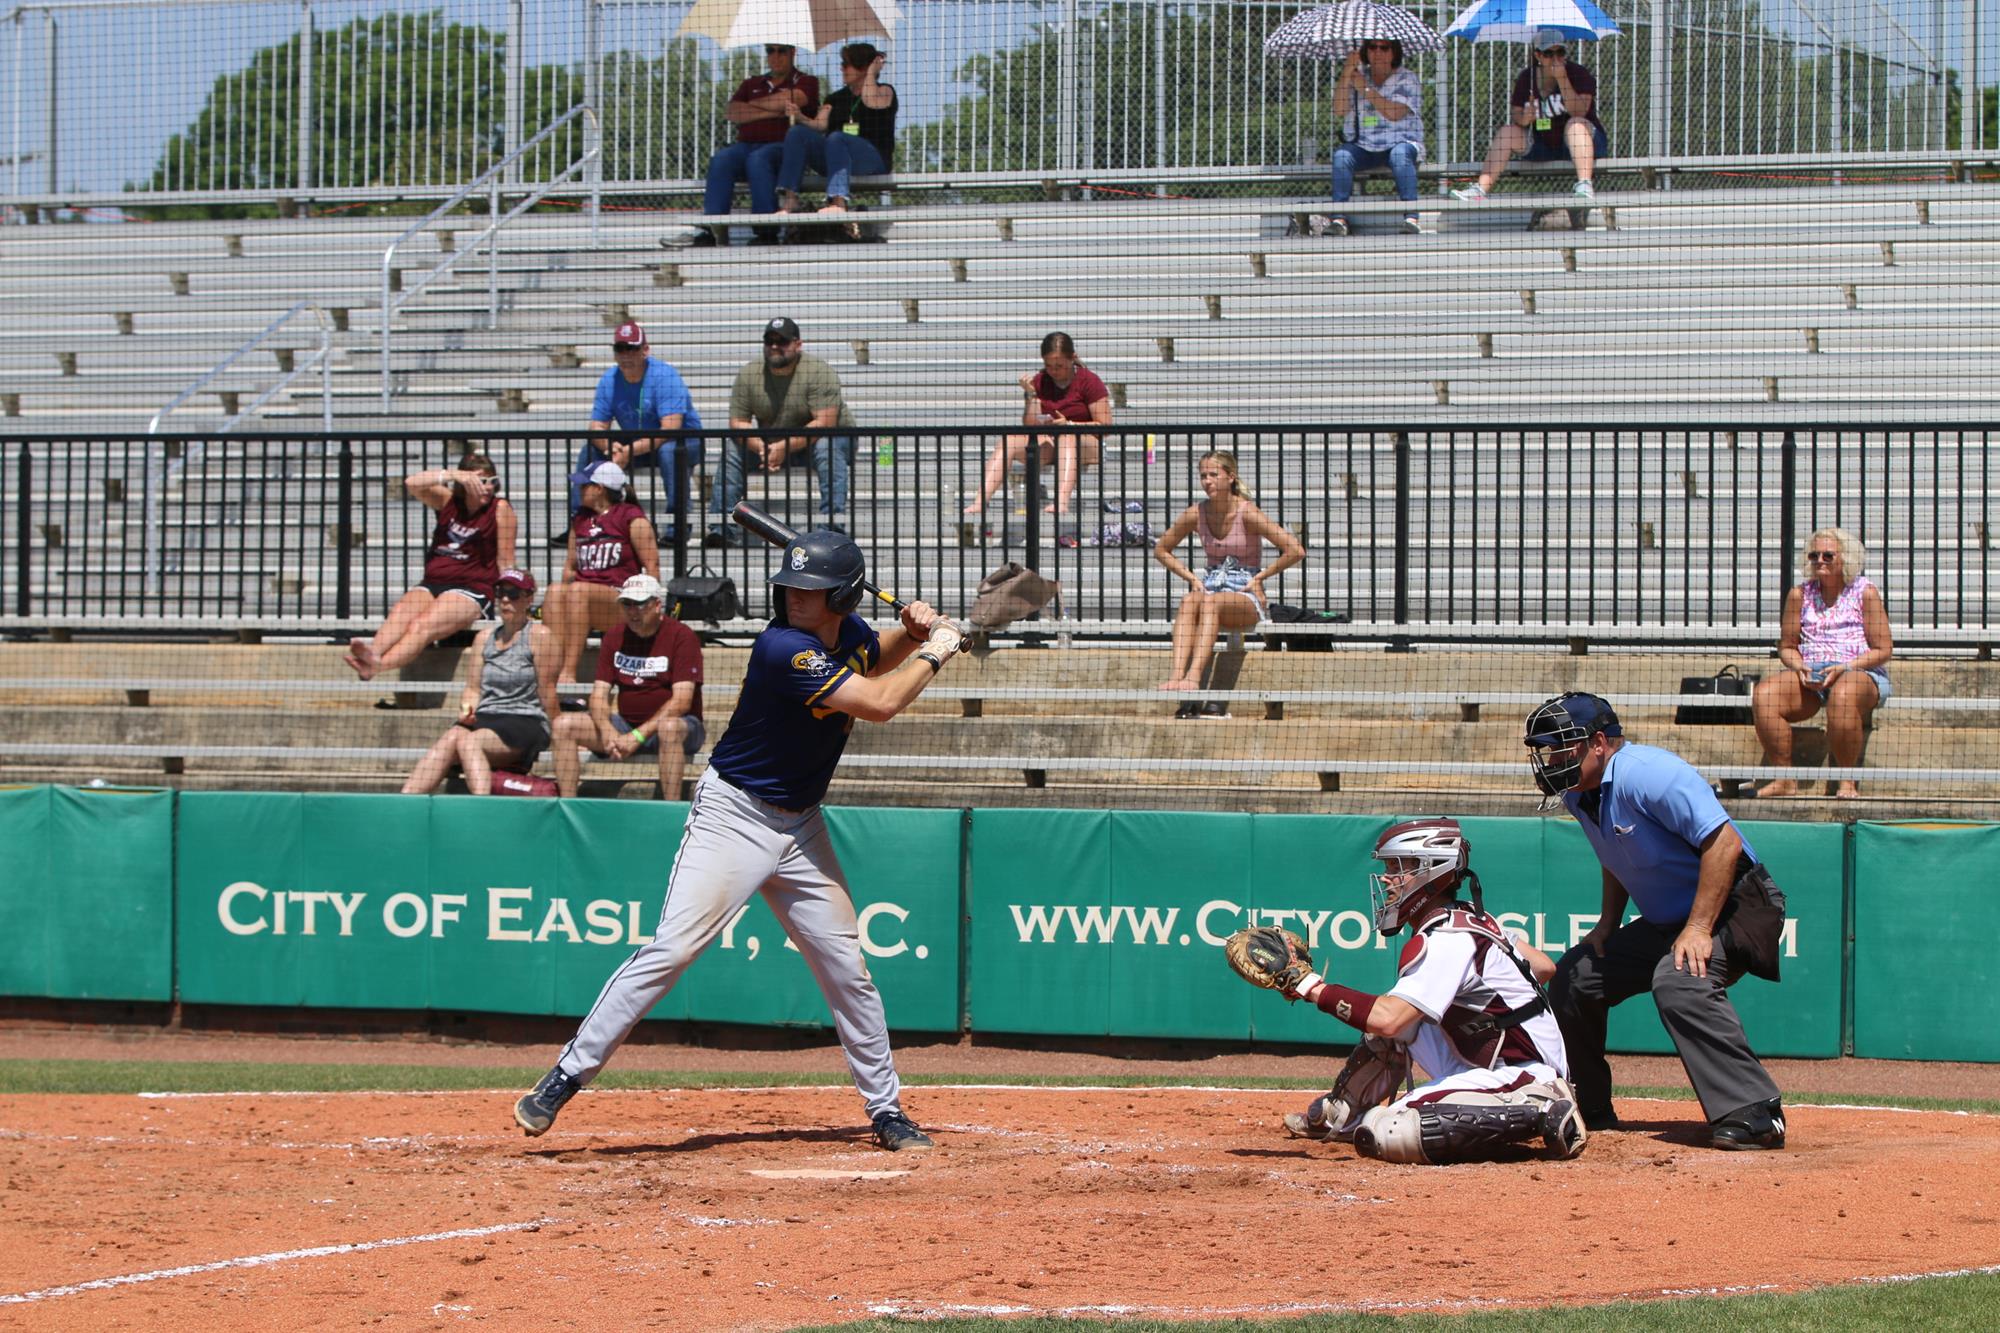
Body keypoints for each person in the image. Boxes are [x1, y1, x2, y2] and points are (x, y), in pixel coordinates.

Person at [515, 529, 967, 1152]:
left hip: (801, 823)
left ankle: (886, 1110)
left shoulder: (850, 634)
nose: (793, 597)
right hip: (736, 816)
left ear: (843, 597)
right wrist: (938, 650)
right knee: (672, 949)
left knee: (848, 971)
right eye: (789, 587)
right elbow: (880, 701)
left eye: (809, 591)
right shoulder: (783, 648)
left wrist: (913, 636)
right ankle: (566, 1074)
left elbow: (875, 657)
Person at [1231, 818, 1587, 1165]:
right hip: (1498, 1059)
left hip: (1525, 1072)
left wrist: (1308, 985)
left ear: (1432, 871)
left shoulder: (1449, 938)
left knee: (1389, 1128)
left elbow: (1388, 1019)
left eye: (1399, 868)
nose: (1387, 879)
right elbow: (1544, 967)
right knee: (1402, 1020)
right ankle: (1343, 1113)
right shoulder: (1471, 918)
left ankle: (1541, 1107)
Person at [1524, 691, 1790, 1151]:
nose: (1551, 760)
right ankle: (1591, 1110)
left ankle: (1756, 1114)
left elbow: (1723, 845)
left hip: (1739, 905)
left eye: (1561, 747)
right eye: (1546, 750)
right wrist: (1609, 922)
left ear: (1600, 743)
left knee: (1681, 979)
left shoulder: (1648, 774)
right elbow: (1615, 855)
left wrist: (1699, 928)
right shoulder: (1578, 794)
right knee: (1575, 977)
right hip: (1674, 919)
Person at [1151, 450, 1305, 713]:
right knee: (1189, 600)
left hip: (1243, 590)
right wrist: (1191, 578)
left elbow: (1295, 550)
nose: (1207, 481)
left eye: (1213, 474)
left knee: (1210, 603)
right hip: (1211, 582)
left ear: (1230, 477)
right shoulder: (1195, 513)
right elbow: (1161, 550)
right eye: (1203, 476)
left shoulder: (1247, 512)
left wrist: (1259, 577)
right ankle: (1177, 675)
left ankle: (1193, 678)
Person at [344, 454, 515, 683]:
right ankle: (373, 653)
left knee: (421, 625)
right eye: (479, 481)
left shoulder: (499, 508)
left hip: (471, 586)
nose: (486, 487)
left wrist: (509, 597)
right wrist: (453, 475)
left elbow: (506, 560)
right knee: (401, 612)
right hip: (433, 582)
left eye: (490, 481)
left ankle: (377, 666)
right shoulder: (448, 501)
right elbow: (411, 483)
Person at [1751, 527, 1893, 800]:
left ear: (1845, 558)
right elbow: (1788, 647)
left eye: (1828, 555)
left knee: (1842, 696)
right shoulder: (1799, 595)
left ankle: (1847, 781)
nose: (1820, 561)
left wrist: (1846, 667)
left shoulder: (1865, 592)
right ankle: (1784, 779)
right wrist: (1799, 667)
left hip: (1859, 670)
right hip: (1813, 673)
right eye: (1814, 555)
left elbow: (1883, 649)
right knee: (1764, 695)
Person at [402, 568, 560, 796]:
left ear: (529, 598)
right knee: (453, 736)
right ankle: (405, 802)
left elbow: (548, 692)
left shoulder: (539, 636)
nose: (505, 599)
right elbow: (473, 689)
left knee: (469, 742)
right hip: (487, 717)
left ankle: (482, 808)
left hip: (524, 720)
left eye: (513, 593)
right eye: (500, 593)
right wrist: (467, 709)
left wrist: (558, 735)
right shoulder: (484, 638)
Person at [551, 573, 705, 801]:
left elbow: (682, 702)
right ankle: (567, 808)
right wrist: (608, 731)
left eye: (640, 604)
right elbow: (598, 696)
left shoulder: (682, 636)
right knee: (563, 724)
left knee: (669, 728)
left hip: (680, 728)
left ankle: (670, 809)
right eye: (627, 604)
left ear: (657, 605)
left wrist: (637, 737)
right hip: (625, 725)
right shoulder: (614, 636)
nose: (633, 611)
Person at [706, 316, 856, 545]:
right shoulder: (750, 374)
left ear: (798, 344)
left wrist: (782, 447)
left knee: (828, 445)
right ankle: (721, 527)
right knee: (733, 449)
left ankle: (831, 528)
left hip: (826, 440)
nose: (775, 346)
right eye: (769, 341)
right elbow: (738, 423)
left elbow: (825, 422)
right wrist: (763, 448)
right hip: (774, 444)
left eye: (782, 341)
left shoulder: (818, 371)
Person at [559, 321, 701, 547]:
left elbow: (671, 428)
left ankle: (678, 527)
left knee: (669, 451)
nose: (626, 355)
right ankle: (578, 522)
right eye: (620, 349)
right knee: (589, 451)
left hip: (684, 440)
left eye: (632, 349)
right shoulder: (609, 379)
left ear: (645, 349)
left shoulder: (665, 376)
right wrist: (609, 447)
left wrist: (629, 451)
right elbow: (596, 426)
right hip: (638, 442)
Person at [962, 333, 1113, 518]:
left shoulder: (1089, 381)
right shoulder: (1041, 380)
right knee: (1009, 440)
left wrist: (1071, 424)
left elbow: (1105, 426)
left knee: (1067, 436)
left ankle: (1061, 501)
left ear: (1072, 358)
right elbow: (1030, 424)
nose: (1054, 371)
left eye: (1059, 366)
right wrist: (1032, 396)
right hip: (1052, 442)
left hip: (1088, 443)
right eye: (1049, 366)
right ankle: (980, 501)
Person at [1451, 29, 1607, 203]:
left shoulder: (1578, 73)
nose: (1555, 58)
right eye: (1549, 53)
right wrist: (1525, 118)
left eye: (1560, 52)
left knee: (1575, 124)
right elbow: (1516, 114)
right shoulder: (1528, 77)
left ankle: (1584, 184)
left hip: (1582, 143)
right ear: (1538, 55)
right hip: (1543, 144)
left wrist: (1562, 80)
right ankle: (1480, 189)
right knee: (1507, 132)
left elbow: (1580, 111)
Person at [543, 461, 661, 685]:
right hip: (583, 598)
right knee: (554, 592)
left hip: (620, 599)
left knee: (577, 591)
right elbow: (570, 567)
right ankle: (552, 671)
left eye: (584, 485)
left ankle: (568, 674)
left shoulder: (631, 517)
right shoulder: (580, 519)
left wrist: (648, 607)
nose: (579, 490)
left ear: (599, 489)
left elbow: (652, 566)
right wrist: (562, 596)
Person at [696, 43, 819, 247]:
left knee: (759, 159)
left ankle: (766, 232)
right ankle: (713, 227)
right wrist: (776, 108)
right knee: (721, 159)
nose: (775, 56)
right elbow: (733, 112)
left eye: (781, 51)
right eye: (770, 50)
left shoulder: (806, 81)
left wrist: (752, 106)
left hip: (782, 148)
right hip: (746, 146)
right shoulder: (751, 82)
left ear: (793, 53)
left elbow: (797, 98)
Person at [776, 42, 897, 240]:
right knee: (798, 133)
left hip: (872, 160)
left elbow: (870, 101)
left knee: (837, 137)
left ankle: (838, 202)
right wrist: (800, 117)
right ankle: (790, 199)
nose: (841, 68)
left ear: (863, 67)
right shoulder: (835, 97)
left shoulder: (884, 91)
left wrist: (870, 74)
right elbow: (819, 125)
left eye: (846, 64)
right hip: (836, 157)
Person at [1326, 39, 1424, 236]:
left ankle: (1411, 218)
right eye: (1372, 47)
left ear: (1394, 52)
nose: (1378, 52)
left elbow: (1394, 113)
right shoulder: (1357, 77)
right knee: (1342, 157)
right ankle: (1339, 219)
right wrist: (1346, 73)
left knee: (1400, 155)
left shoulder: (1408, 78)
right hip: (1363, 145)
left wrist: (1367, 90)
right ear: (1366, 52)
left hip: (1400, 142)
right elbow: (1339, 110)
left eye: (1384, 47)